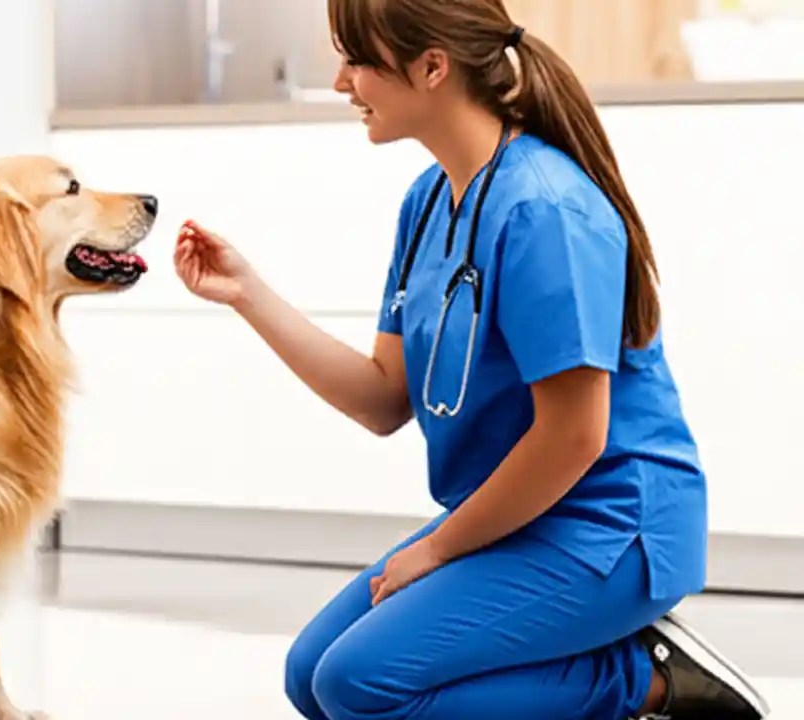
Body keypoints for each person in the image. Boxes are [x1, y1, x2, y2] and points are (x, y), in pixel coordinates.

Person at [172, 1, 771, 719]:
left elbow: (575, 436)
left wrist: (439, 549)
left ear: (432, 67)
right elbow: (381, 398)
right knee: (310, 675)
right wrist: (247, 294)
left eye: (357, 61)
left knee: (358, 685)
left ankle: (644, 679)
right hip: (525, 511)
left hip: (615, 526)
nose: (340, 84)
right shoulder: (428, 202)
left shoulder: (544, 209)